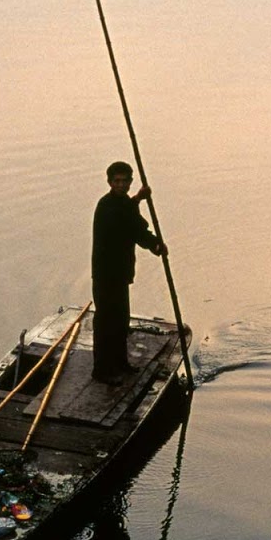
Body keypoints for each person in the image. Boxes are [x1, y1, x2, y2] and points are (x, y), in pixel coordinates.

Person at [91, 160, 164, 384]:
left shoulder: (123, 203)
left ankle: (120, 363)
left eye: (125, 181)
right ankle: (102, 371)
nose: (121, 185)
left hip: (120, 274)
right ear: (109, 182)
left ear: (131, 182)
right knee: (106, 323)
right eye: (117, 181)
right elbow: (132, 227)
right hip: (106, 275)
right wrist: (153, 243)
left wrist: (137, 199)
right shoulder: (106, 206)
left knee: (121, 321)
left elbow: (130, 216)